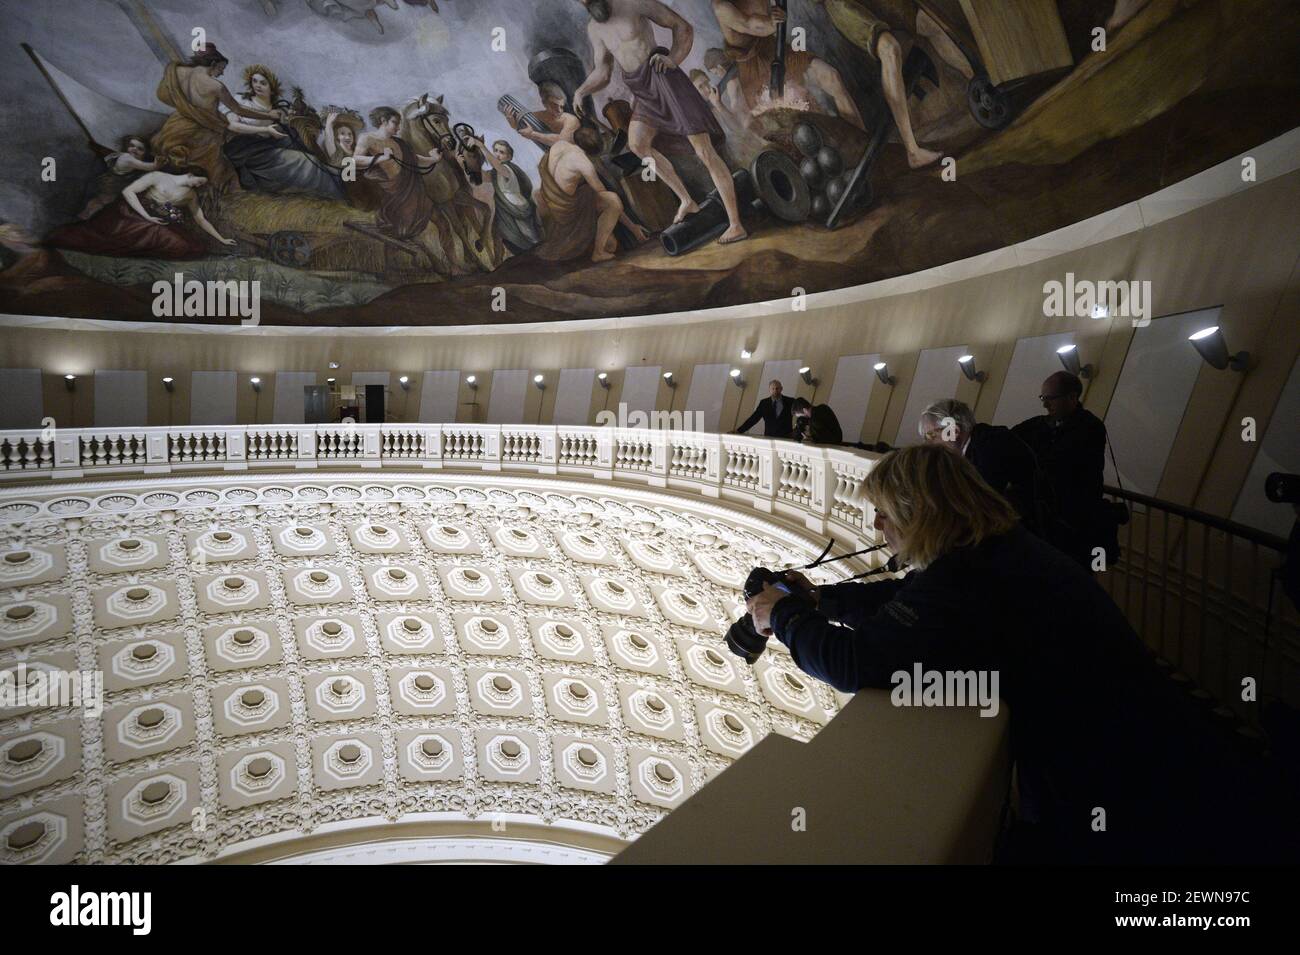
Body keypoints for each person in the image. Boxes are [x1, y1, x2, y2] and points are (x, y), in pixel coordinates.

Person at [745, 445, 1280, 863]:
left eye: (885, 514)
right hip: (1148, 745)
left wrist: (784, 616)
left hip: (1127, 786)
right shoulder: (995, 552)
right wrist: (822, 598)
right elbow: (905, 601)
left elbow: (852, 663)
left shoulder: (971, 577)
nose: (877, 527)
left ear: (921, 511)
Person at [573, 0, 747, 245]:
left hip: (664, 80)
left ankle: (736, 224)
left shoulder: (634, 2)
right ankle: (687, 200)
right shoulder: (594, 28)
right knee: (638, 144)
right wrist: (581, 91)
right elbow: (603, 70)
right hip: (643, 91)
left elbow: (682, 26)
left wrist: (674, 58)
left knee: (704, 151)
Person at [810, 0, 975, 168]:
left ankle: (982, 82)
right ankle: (913, 152)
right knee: (890, 50)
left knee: (931, 24)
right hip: (844, 4)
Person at [150, 44, 285, 194]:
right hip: (200, 135)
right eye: (221, 68)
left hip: (174, 127)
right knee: (220, 175)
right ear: (213, 63)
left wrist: (186, 109)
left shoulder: (175, 71)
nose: (221, 73)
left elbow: (161, 96)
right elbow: (238, 109)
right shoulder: (215, 86)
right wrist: (268, 115)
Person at [712, 0, 865, 129]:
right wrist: (773, 23)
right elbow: (751, 25)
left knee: (831, 77)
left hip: (776, 48)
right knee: (788, 124)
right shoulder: (720, 6)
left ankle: (862, 140)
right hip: (753, 68)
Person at [1012, 372, 1108, 566]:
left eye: (1050, 399)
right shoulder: (1043, 424)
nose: (1045, 405)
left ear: (1072, 397)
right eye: (1043, 398)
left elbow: (1060, 463)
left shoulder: (1090, 428)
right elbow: (1009, 438)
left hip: (1073, 520)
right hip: (1049, 518)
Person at [919, 398, 1046, 533]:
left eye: (930, 436)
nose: (928, 444)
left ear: (953, 431)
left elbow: (978, 505)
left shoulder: (990, 448)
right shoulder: (980, 444)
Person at [47, 167, 232, 259]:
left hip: (157, 220)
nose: (200, 185)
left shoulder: (190, 195)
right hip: (131, 213)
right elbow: (129, 192)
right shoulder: (158, 176)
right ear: (191, 174)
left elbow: (199, 218)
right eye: (199, 181)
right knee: (102, 236)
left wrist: (221, 239)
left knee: (190, 247)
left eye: (202, 184)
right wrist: (146, 216)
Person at [221, 65, 345, 199]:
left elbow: (286, 132)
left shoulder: (278, 109)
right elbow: (232, 125)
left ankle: (338, 179)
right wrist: (264, 129)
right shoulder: (241, 101)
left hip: (268, 147)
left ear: (272, 88)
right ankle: (336, 191)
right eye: (254, 81)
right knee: (304, 162)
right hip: (246, 151)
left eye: (263, 83)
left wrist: (289, 120)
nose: (257, 85)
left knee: (309, 156)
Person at [534, 125, 649, 263]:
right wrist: (633, 227)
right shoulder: (583, 163)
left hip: (554, 202)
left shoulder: (559, 145)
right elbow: (608, 199)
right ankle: (598, 253)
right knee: (613, 201)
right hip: (568, 210)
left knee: (611, 241)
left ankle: (598, 243)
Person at [355, 106, 442, 241]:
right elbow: (356, 160)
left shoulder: (399, 142)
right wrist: (381, 158)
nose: (398, 127)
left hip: (405, 187)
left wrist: (433, 159)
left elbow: (414, 159)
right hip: (387, 190)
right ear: (383, 121)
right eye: (395, 122)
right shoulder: (367, 138)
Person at [470, 137, 541, 254]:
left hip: (516, 207)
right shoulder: (495, 172)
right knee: (504, 236)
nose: (497, 154)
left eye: (501, 152)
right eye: (496, 151)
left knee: (529, 239)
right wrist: (465, 162)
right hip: (504, 208)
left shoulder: (507, 169)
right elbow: (480, 176)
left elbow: (497, 165)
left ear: (509, 157)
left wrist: (482, 147)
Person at [76, 136, 159, 220]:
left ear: (145, 152)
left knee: (98, 200)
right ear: (127, 146)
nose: (134, 149)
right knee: (103, 201)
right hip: (112, 184)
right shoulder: (128, 159)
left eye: (140, 149)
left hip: (109, 180)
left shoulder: (126, 156)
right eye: (132, 145)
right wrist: (158, 159)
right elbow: (152, 167)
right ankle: (86, 216)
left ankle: (84, 214)